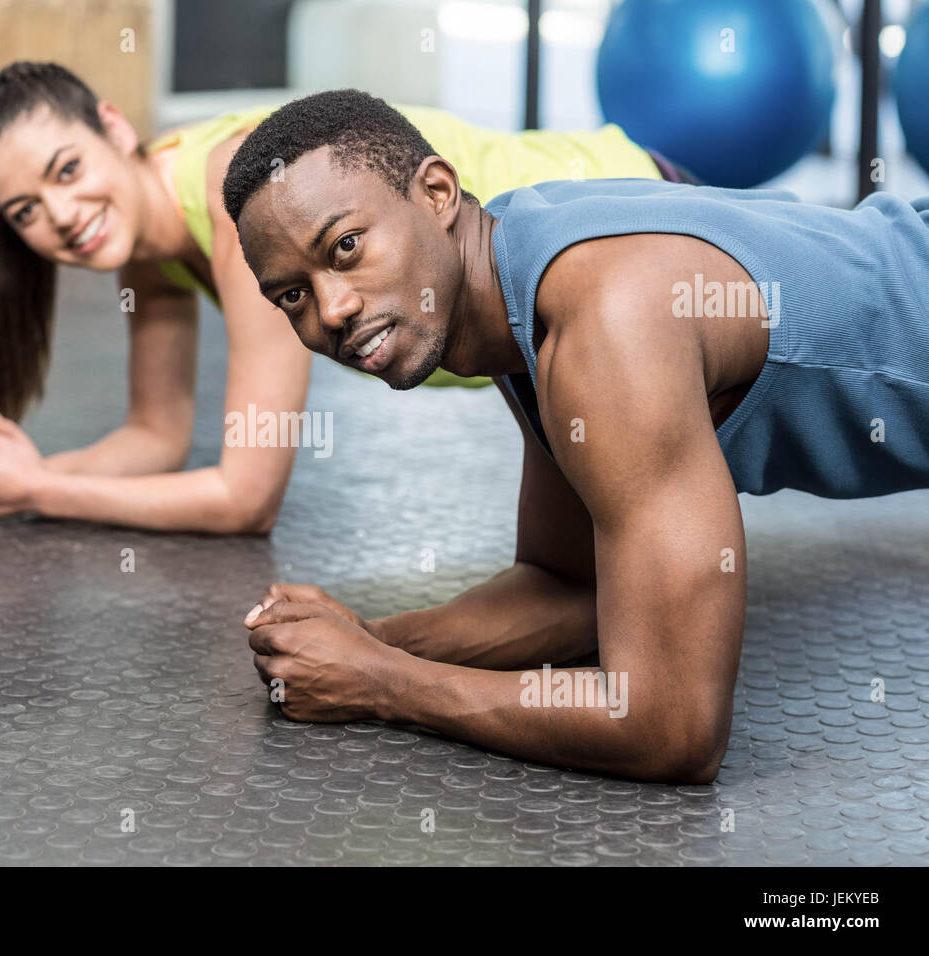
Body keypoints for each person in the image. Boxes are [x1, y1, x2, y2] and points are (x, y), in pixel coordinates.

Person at [222, 89, 929, 783]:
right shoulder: (511, 279)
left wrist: (384, 682)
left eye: (346, 246)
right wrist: (368, 638)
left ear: (437, 193)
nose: (333, 309)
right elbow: (567, 590)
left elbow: (672, 725)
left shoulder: (609, 323)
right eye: (293, 294)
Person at [0, 61, 680, 532]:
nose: (62, 215)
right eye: (26, 211)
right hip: (546, 325)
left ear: (113, 127)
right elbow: (156, 437)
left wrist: (41, 492)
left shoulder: (234, 205)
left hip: (635, 226)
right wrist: (24, 473)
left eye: (67, 170)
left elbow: (244, 497)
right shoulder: (147, 241)